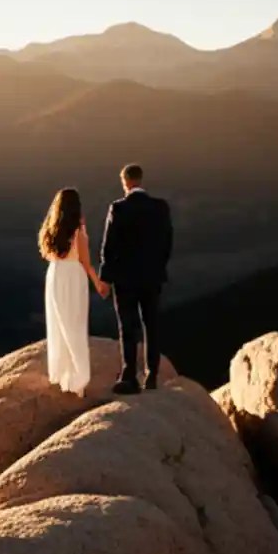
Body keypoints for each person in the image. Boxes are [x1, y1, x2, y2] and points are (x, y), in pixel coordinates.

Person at [99, 164, 173, 395]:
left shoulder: (119, 208)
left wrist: (105, 277)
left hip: (125, 278)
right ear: (140, 180)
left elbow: (108, 247)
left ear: (126, 182)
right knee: (152, 325)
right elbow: (167, 242)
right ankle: (152, 375)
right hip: (152, 277)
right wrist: (159, 267)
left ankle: (129, 374)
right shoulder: (160, 207)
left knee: (127, 326)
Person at [38, 188, 109, 396]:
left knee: (59, 324)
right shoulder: (77, 231)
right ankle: (78, 377)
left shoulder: (51, 230)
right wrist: (98, 284)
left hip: (55, 274)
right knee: (75, 324)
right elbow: (85, 262)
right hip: (72, 277)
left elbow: (49, 254)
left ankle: (61, 373)